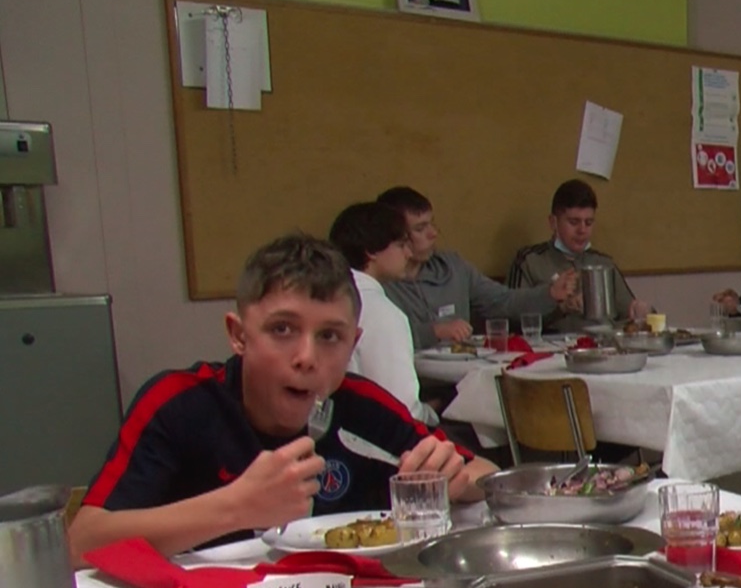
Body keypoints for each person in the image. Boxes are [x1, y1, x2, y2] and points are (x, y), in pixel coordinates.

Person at [69, 235, 495, 560]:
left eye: (330, 336)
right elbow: (81, 541)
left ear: (353, 345)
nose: (307, 358)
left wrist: (457, 479)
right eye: (282, 330)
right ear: (238, 335)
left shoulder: (360, 405)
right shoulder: (179, 403)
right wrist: (236, 507)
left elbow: (483, 473)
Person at [375, 185, 579, 349]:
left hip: (461, 380)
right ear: (395, 235)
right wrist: (434, 332)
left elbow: (502, 301)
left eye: (432, 223)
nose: (433, 234)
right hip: (411, 386)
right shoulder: (377, 281)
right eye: (420, 228)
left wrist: (550, 294)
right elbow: (376, 338)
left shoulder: (453, 267)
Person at [327, 201, 436, 425]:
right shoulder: (382, 313)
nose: (408, 253)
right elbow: (402, 409)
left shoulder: (327, 295)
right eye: (401, 244)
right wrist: (432, 413)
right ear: (372, 251)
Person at [504, 179, 648, 334]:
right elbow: (511, 319)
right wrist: (560, 308)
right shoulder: (530, 261)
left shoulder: (604, 263)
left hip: (602, 347)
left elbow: (629, 314)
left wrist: (641, 312)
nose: (582, 230)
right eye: (574, 222)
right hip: (552, 351)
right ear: (553, 222)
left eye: (589, 222)